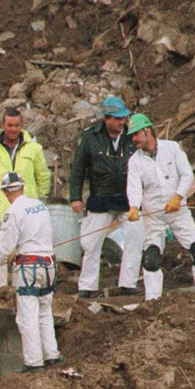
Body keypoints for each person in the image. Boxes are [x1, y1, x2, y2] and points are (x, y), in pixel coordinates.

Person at [0, 173, 62, 373]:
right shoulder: (40, 207)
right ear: (23, 186)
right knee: (45, 311)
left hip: (29, 266)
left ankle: (33, 362)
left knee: (27, 315)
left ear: (5, 191)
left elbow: (3, 249)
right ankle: (52, 355)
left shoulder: (12, 212)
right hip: (49, 263)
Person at [125, 113, 195, 300]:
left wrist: (178, 196)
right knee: (151, 257)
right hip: (153, 214)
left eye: (136, 134)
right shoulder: (135, 161)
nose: (134, 139)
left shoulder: (172, 149)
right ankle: (153, 300)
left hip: (178, 211)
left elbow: (187, 175)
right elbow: (134, 187)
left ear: (147, 131)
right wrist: (134, 207)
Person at [0, 107, 52, 297]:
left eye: (16, 125)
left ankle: (19, 299)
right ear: (2, 125)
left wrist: (39, 203)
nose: (13, 130)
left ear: (21, 125)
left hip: (26, 216)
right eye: (9, 125)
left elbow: (43, 177)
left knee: (21, 263)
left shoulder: (34, 149)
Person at [69, 96, 141, 297]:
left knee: (135, 239)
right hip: (100, 198)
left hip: (129, 199)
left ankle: (128, 283)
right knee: (91, 244)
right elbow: (78, 169)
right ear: (106, 118)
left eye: (123, 118)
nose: (122, 122)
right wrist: (75, 197)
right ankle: (87, 286)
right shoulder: (90, 137)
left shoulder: (131, 136)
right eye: (118, 118)